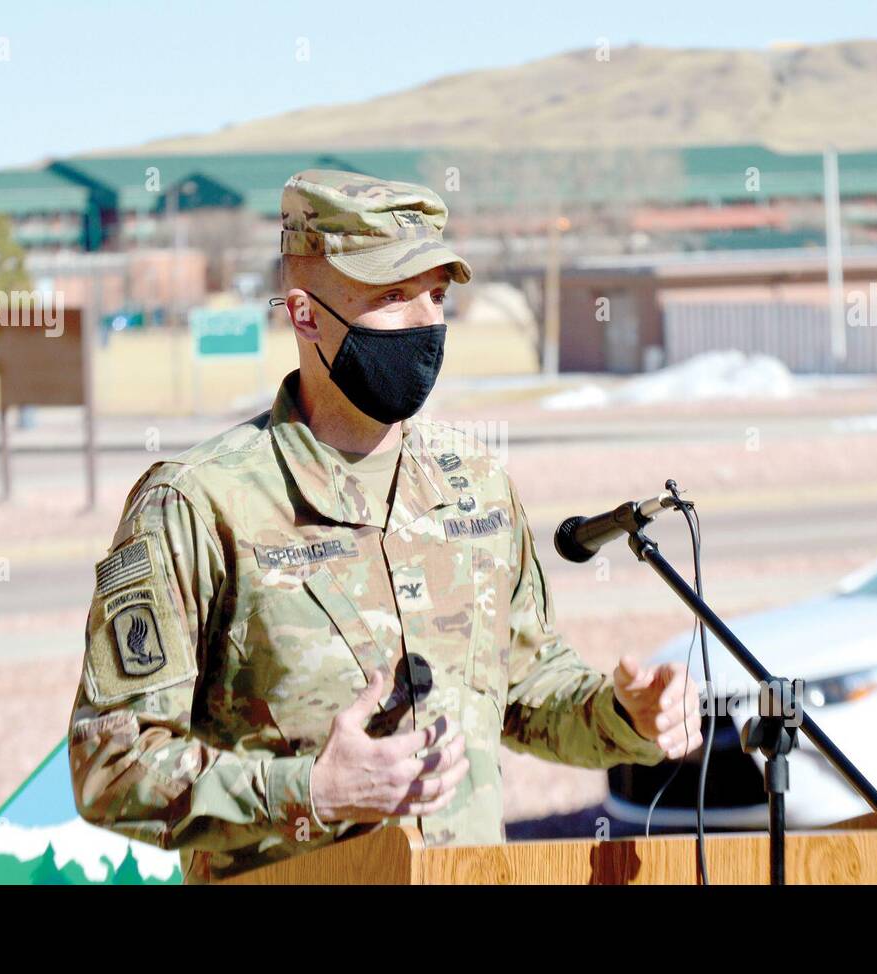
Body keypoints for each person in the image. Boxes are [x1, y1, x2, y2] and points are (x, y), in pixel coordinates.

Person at [67, 169, 704, 883]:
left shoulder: (476, 489)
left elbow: (526, 691)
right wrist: (310, 791)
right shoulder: (197, 505)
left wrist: (625, 716)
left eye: (437, 295)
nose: (425, 322)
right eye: (392, 297)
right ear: (305, 314)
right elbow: (110, 765)